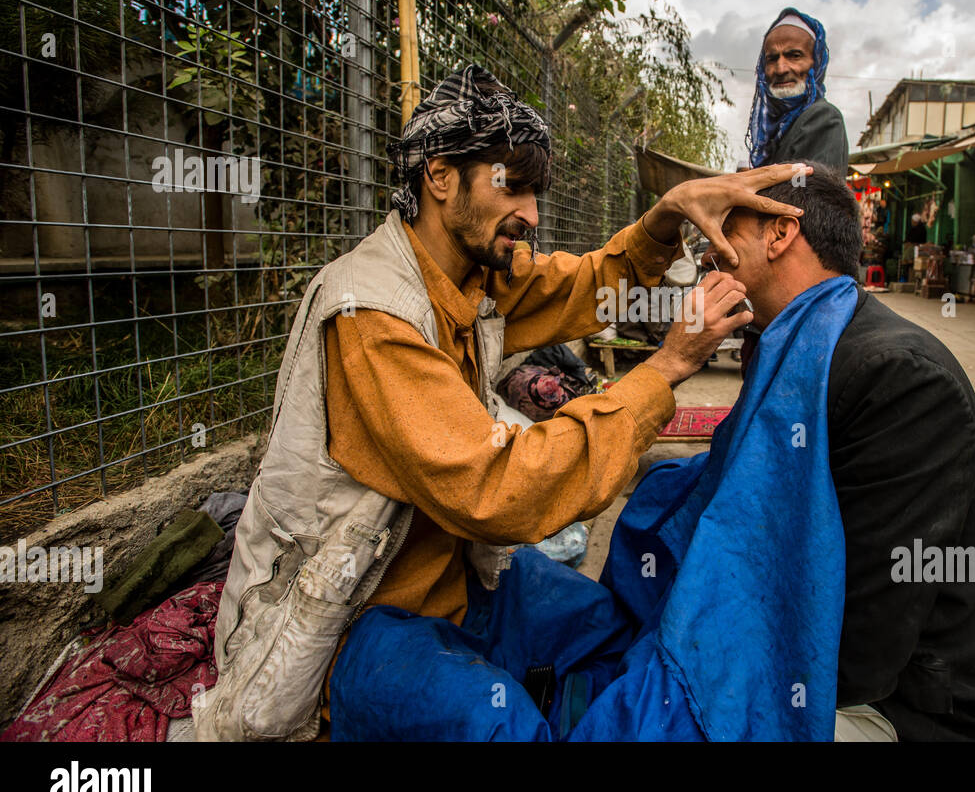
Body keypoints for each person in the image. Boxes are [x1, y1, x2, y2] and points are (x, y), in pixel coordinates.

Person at [196, 64, 806, 741]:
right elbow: (499, 489)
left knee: (607, 630)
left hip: (458, 585)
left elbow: (588, 287)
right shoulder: (373, 315)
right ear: (438, 177)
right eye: (510, 185)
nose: (534, 215)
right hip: (361, 618)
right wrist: (665, 367)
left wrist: (664, 217)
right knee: (502, 726)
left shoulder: (474, 273)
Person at [706, 166, 975, 741]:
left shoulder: (901, 379)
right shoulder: (793, 343)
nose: (709, 250)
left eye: (725, 228)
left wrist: (721, 657)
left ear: (779, 234)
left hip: (899, 706)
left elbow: (863, 646)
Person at [745, 7, 849, 181]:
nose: (780, 69)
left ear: (816, 63)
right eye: (772, 58)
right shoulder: (776, 129)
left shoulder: (822, 118)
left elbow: (804, 196)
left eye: (794, 55)